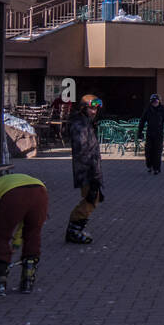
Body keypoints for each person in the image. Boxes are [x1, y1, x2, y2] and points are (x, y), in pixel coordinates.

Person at [0, 172, 49, 296]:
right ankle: (28, 278)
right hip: (40, 191)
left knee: (2, 235)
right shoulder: (1, 185)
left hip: (13, 194)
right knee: (33, 234)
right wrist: (16, 245)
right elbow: (23, 223)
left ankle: (0, 282)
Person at [66, 94, 105, 244]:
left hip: (91, 171)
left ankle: (77, 229)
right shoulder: (80, 125)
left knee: (92, 199)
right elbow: (83, 152)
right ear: (83, 108)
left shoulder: (86, 123)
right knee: (90, 199)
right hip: (86, 172)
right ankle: (74, 230)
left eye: (95, 109)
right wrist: (93, 178)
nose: (94, 112)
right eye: (91, 108)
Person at [137, 93, 164, 174]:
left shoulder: (163, 110)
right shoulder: (148, 109)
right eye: (153, 102)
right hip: (149, 133)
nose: (155, 103)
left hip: (159, 133)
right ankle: (149, 165)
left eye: (156, 101)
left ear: (159, 101)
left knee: (157, 151)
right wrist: (140, 133)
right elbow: (142, 121)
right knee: (148, 151)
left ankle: (156, 168)